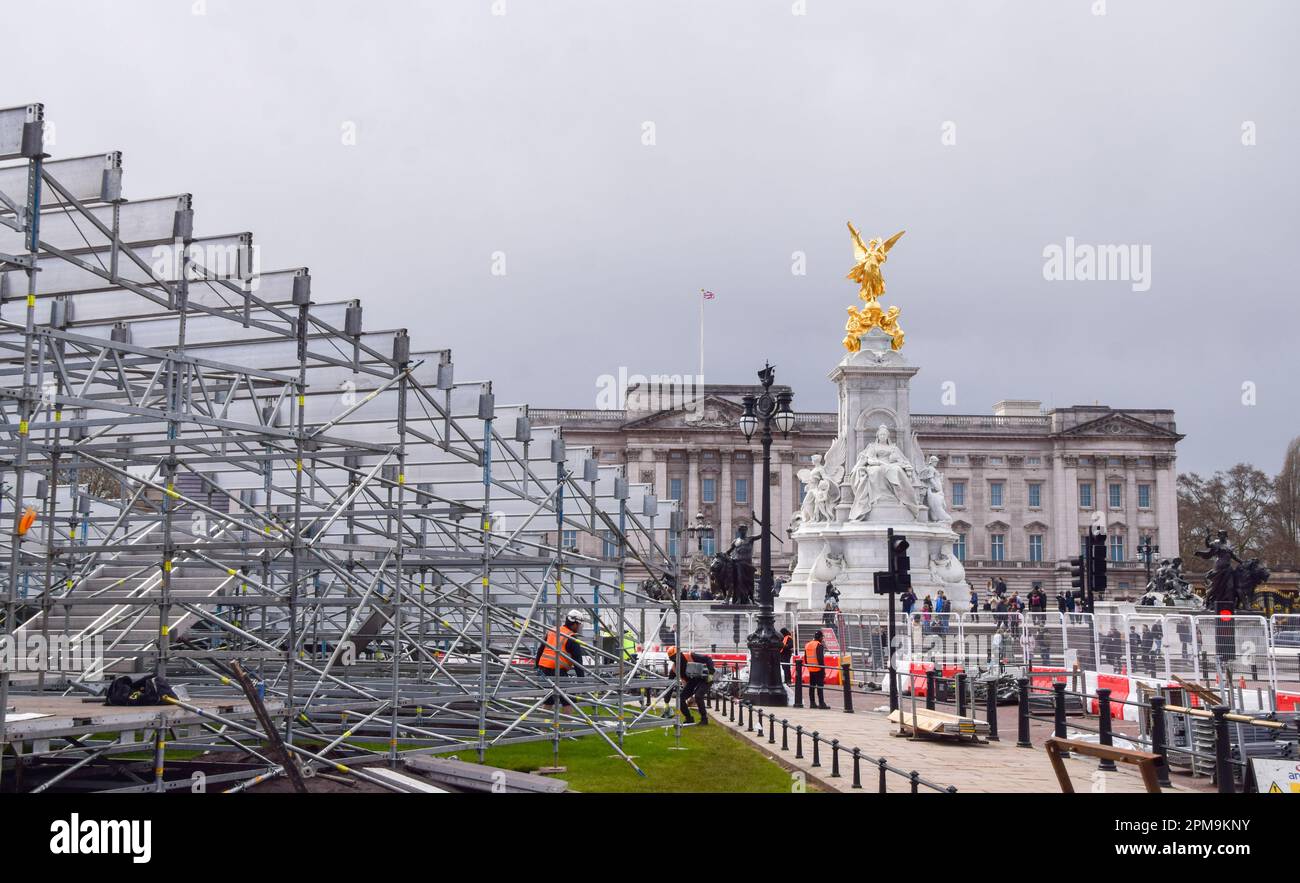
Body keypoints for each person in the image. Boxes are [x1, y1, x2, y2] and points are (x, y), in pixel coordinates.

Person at [535, 609, 588, 707]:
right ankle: (567, 722)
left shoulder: (552, 631)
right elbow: (578, 663)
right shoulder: (571, 638)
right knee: (568, 700)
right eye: (580, 624)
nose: (580, 627)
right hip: (557, 671)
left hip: (543, 670)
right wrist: (582, 682)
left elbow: (540, 650)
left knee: (548, 699)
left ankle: (547, 721)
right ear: (575, 624)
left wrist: (536, 667)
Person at [667, 645, 715, 725]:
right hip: (693, 681)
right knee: (680, 699)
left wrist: (711, 672)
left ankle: (704, 719)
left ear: (680, 654)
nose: (675, 659)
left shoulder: (690, 656)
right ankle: (689, 718)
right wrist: (666, 701)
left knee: (698, 696)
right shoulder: (674, 669)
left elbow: (708, 659)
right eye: (673, 658)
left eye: (676, 656)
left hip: (705, 678)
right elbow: (669, 685)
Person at [804, 630, 831, 709]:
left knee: (812, 686)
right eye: (822, 637)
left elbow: (805, 658)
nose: (822, 639)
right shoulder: (819, 645)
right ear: (820, 637)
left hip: (811, 669)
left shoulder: (807, 645)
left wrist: (809, 667)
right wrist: (823, 670)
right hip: (818, 669)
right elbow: (820, 659)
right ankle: (821, 703)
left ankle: (812, 703)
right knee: (820, 687)